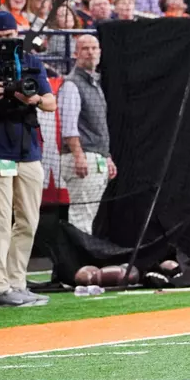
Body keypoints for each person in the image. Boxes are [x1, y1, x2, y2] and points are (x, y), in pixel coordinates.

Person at [0, 10, 57, 307]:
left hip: (28, 148)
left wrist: (34, 99)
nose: (4, 42)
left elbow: (50, 102)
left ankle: (17, 282)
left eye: (9, 36)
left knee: (28, 218)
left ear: (18, 32)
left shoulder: (30, 61)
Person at [59, 34, 116, 234]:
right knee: (81, 215)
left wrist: (106, 156)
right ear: (75, 54)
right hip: (83, 157)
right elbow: (69, 126)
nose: (90, 52)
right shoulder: (72, 84)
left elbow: (98, 126)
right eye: (85, 48)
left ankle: (83, 260)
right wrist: (78, 156)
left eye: (94, 48)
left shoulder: (95, 83)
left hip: (95, 156)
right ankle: (79, 262)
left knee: (87, 214)